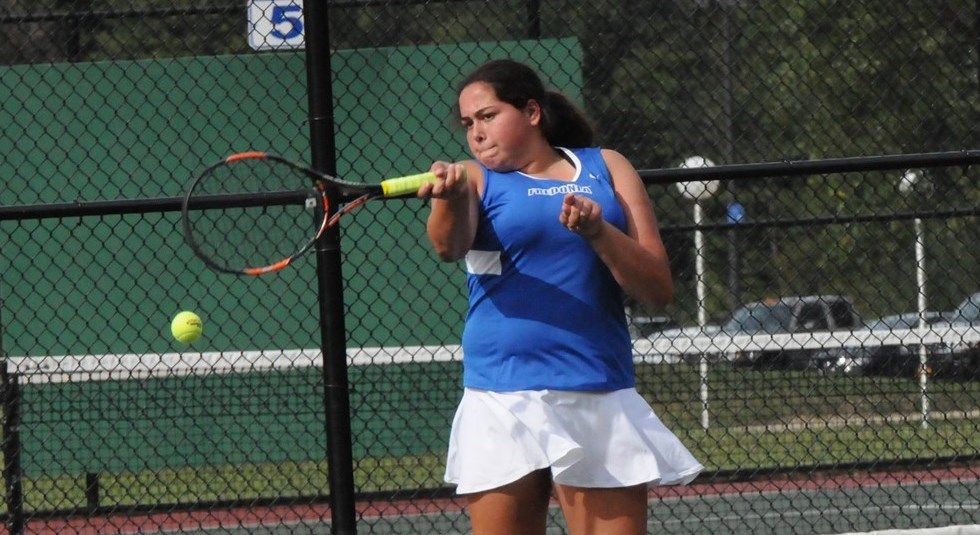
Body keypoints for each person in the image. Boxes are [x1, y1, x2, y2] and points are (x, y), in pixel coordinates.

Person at [417, 58, 703, 535]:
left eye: (488, 116)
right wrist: (446, 198)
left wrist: (598, 232)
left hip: (597, 385)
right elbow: (448, 246)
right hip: (502, 395)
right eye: (468, 124)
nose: (476, 134)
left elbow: (658, 288)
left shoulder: (606, 166)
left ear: (531, 112)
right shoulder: (472, 178)